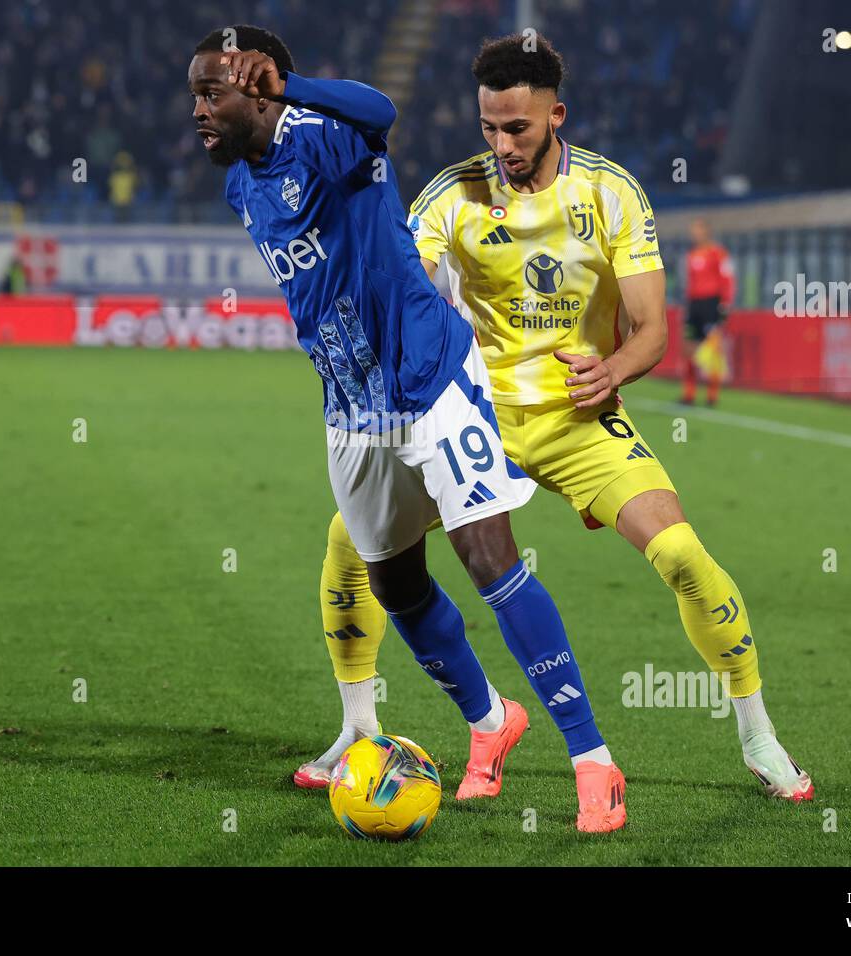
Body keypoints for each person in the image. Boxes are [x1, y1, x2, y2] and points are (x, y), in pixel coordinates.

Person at [295, 32, 813, 807]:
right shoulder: (450, 195)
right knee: (351, 540)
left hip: (579, 417)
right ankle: (358, 727)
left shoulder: (612, 193)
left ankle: (757, 731)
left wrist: (613, 369)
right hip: (478, 412)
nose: (502, 144)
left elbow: (650, 329)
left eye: (519, 128)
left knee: (682, 556)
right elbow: (402, 274)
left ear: (556, 116)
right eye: (490, 128)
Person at [188, 24, 627, 832]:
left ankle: (593, 760)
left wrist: (297, 86)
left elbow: (378, 108)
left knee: (488, 557)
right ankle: (493, 720)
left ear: (260, 86)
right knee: (394, 584)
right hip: (351, 407)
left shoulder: (323, 138)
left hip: (429, 378)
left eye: (213, 93)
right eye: (195, 96)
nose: (199, 112)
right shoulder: (240, 185)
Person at [681, 218, 733, 406]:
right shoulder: (691, 254)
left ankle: (712, 395)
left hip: (711, 304)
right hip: (694, 305)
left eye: (697, 229)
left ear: (706, 231)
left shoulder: (718, 253)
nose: (693, 233)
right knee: (689, 349)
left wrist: (725, 305)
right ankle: (689, 393)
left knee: (713, 348)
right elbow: (690, 283)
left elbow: (727, 279)